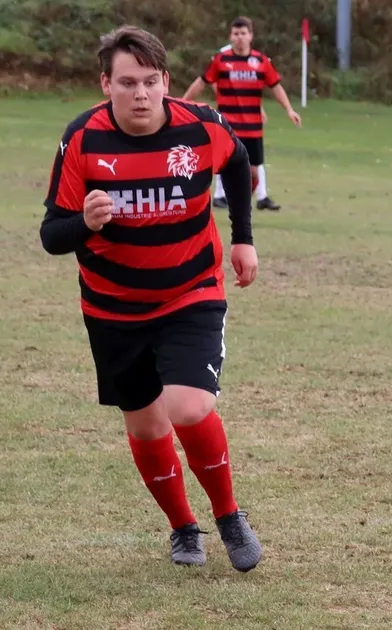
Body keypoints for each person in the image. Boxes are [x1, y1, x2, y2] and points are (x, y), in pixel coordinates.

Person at [39, 25, 263, 572]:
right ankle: (184, 529)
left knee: (189, 406)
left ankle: (229, 516)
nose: (140, 93)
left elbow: (236, 163)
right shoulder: (84, 139)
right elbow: (51, 235)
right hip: (112, 307)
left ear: (166, 81)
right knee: (144, 424)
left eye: (150, 81)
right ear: (106, 84)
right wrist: (85, 224)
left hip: (191, 291)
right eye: (127, 82)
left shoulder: (199, 125)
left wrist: (242, 237)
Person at [181, 16, 301, 211]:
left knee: (254, 168)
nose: (239, 38)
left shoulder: (261, 61)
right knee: (225, 162)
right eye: (236, 34)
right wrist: (184, 103)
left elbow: (275, 87)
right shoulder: (221, 60)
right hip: (228, 124)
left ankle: (254, 197)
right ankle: (222, 196)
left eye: (243, 33)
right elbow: (202, 82)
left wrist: (289, 109)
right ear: (230, 36)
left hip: (253, 127)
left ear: (250, 36)